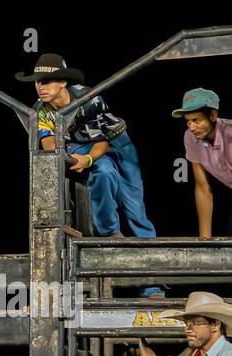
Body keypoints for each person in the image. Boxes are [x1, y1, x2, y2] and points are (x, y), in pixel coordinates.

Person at [19, 53, 156, 242]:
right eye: (37, 82)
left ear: (63, 82)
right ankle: (110, 234)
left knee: (132, 198)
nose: (40, 87)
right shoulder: (41, 111)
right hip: (78, 144)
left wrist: (88, 160)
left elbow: (102, 142)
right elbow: (50, 146)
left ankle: (148, 243)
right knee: (104, 172)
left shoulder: (89, 99)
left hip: (115, 142)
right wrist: (69, 159)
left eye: (47, 81)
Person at [174, 88, 232, 238]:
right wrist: (204, 240)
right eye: (188, 122)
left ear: (212, 116)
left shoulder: (230, 134)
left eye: (196, 120)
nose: (191, 127)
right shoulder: (190, 137)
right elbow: (202, 187)